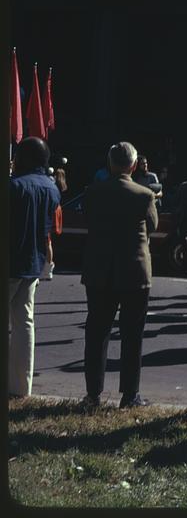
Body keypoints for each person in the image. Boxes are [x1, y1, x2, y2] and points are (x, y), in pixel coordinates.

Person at [81, 142, 158, 409]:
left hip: (99, 270)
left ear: (109, 163)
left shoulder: (93, 192)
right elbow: (152, 225)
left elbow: (88, 220)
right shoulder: (144, 194)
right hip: (134, 271)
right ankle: (130, 395)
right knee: (132, 334)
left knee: (97, 332)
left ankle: (93, 394)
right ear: (134, 166)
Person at [9, 137, 61, 397]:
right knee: (24, 324)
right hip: (32, 263)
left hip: (8, 263)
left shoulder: (13, 186)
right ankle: (21, 387)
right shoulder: (52, 189)